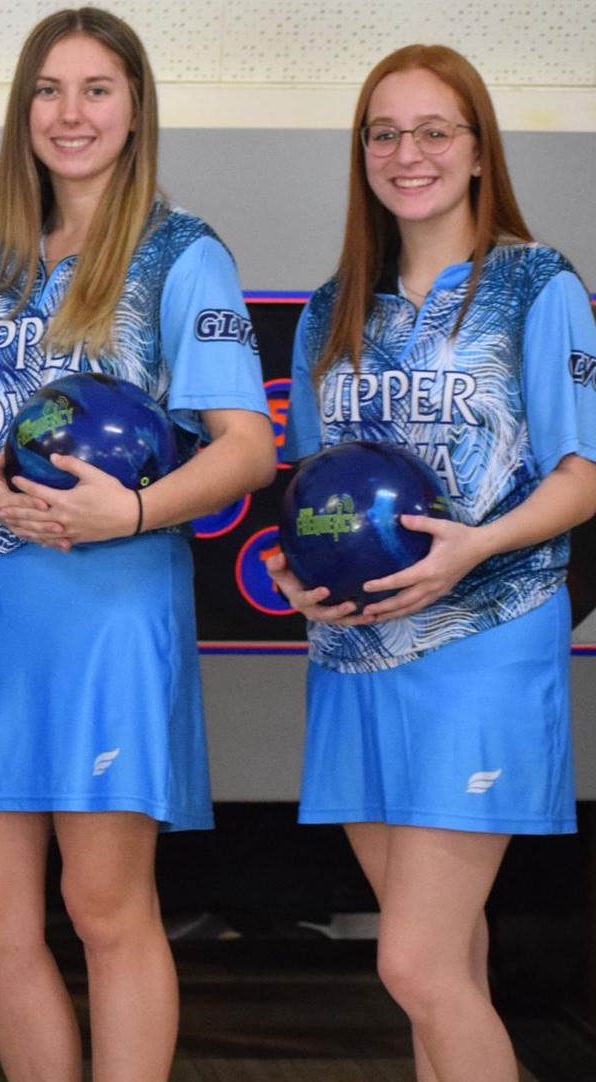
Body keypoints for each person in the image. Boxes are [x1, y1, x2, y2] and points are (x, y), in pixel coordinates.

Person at [0, 8, 276, 1080]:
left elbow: (246, 447)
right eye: (49, 91)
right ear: (23, 112)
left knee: (105, 907)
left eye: (98, 89)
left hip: (112, 605)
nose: (72, 114)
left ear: (135, 108)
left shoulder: (182, 254)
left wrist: (133, 512)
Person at [267, 44, 596, 1082]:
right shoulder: (332, 308)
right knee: (446, 957)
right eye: (385, 132)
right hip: (359, 653)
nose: (409, 153)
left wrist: (480, 545)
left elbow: (584, 472)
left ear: (478, 150)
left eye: (434, 130)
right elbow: (314, 485)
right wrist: (299, 571)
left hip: (486, 636)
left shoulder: (535, 285)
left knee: (410, 957)